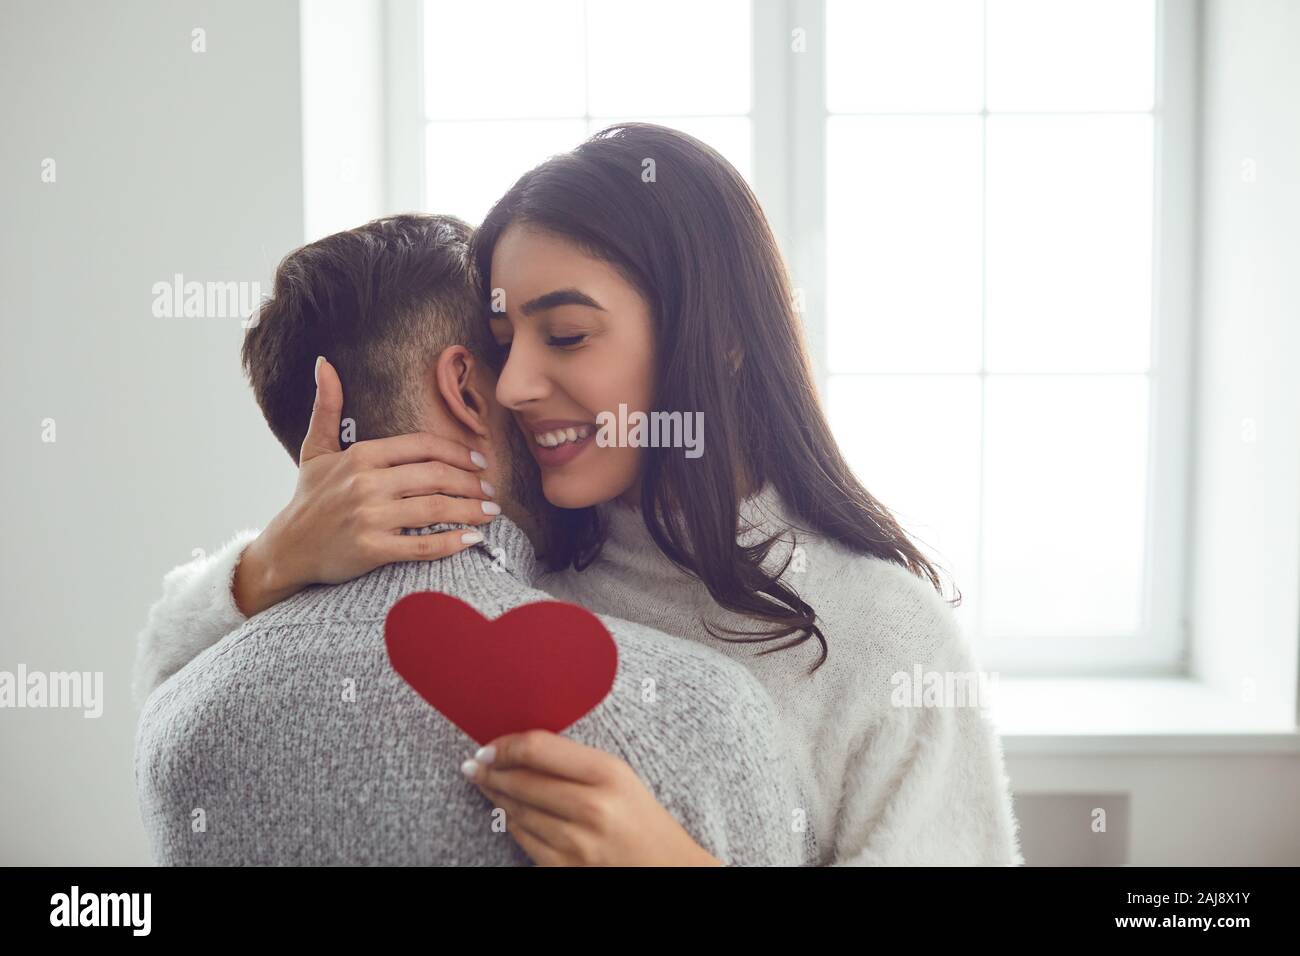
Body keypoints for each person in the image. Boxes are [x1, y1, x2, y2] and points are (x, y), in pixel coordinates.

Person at [136, 124, 1024, 866]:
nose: (515, 384)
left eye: (564, 334)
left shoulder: (882, 638)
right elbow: (179, 692)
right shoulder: (511, 551)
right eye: (500, 342)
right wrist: (269, 562)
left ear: (717, 339)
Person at [133, 213, 817, 866]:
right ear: (465, 388)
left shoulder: (177, 718)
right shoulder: (699, 714)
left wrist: (267, 566)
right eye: (510, 349)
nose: (530, 387)